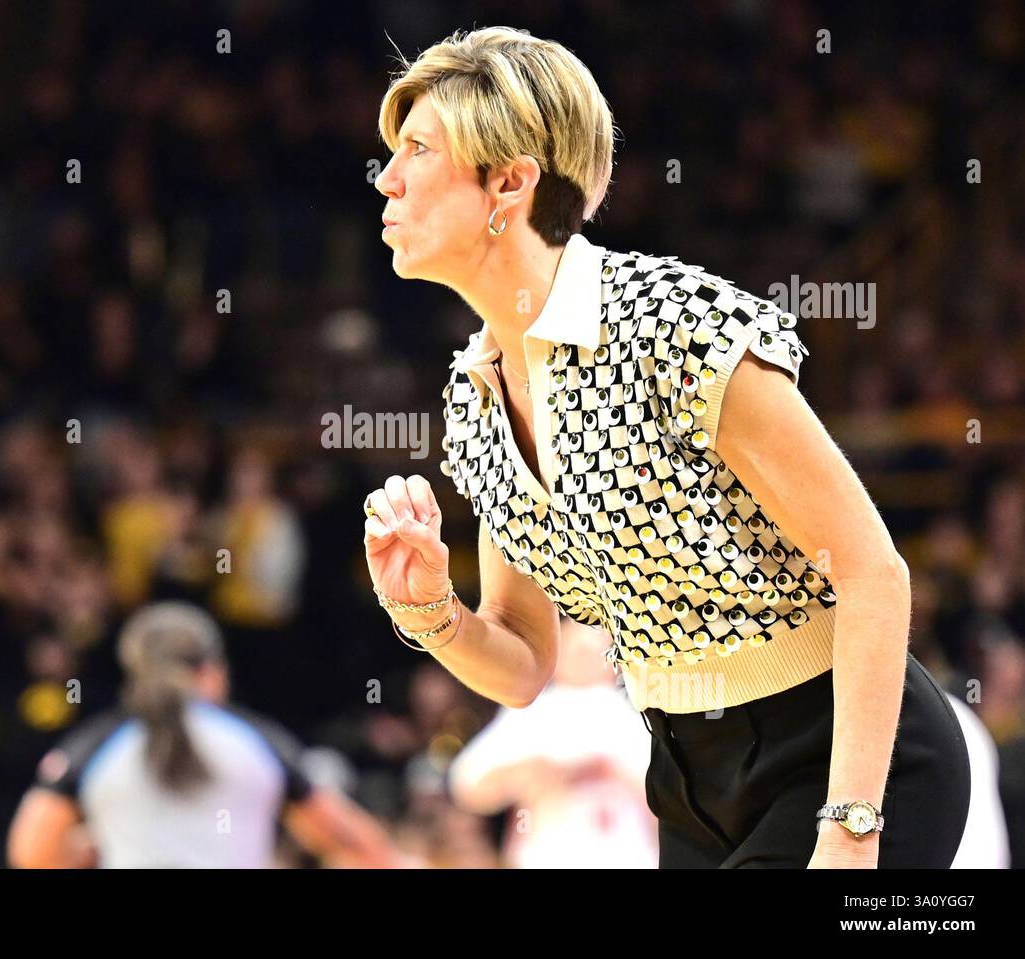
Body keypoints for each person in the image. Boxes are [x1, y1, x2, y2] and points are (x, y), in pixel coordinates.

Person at [363, 26, 969, 868]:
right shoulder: (474, 396)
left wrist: (852, 823)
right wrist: (425, 608)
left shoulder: (675, 324)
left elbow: (874, 570)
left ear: (509, 182)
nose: (386, 177)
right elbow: (524, 663)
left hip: (844, 751)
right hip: (685, 775)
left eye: (416, 150)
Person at [7, 601, 403, 868]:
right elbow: (356, 843)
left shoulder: (97, 745)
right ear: (212, 671)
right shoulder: (255, 741)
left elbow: (31, 852)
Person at [449, 616, 656, 867]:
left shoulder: (633, 715)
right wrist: (531, 774)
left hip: (625, 854)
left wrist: (612, 774)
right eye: (578, 653)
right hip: (548, 854)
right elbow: (468, 785)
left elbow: (666, 796)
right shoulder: (532, 712)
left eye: (597, 654)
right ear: (556, 657)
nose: (587, 662)